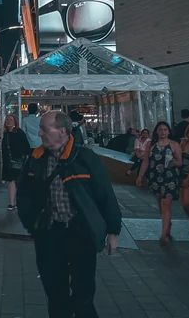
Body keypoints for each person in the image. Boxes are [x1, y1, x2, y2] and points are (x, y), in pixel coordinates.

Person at [17, 111, 121, 318]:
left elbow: (105, 194)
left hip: (81, 234)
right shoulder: (36, 159)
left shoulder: (84, 158)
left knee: (83, 295)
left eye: (45, 130)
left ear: (62, 131)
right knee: (55, 294)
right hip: (49, 234)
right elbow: (24, 194)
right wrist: (32, 223)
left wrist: (112, 231)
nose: (39, 134)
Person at [137, 121, 183, 244]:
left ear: (168, 131)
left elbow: (180, 161)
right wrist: (140, 176)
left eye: (165, 130)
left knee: (166, 203)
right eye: (160, 129)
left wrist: (174, 163)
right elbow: (145, 161)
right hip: (155, 177)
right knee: (160, 204)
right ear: (157, 131)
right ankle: (167, 223)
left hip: (170, 177)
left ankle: (163, 233)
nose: (163, 132)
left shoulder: (174, 145)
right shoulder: (151, 145)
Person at [2, 114, 29, 210]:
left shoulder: (19, 133)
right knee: (11, 181)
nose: (9, 122)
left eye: (11, 120)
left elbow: (26, 146)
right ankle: (12, 203)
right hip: (9, 161)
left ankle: (16, 202)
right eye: (7, 120)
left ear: (15, 122)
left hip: (18, 160)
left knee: (17, 181)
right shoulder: (6, 133)